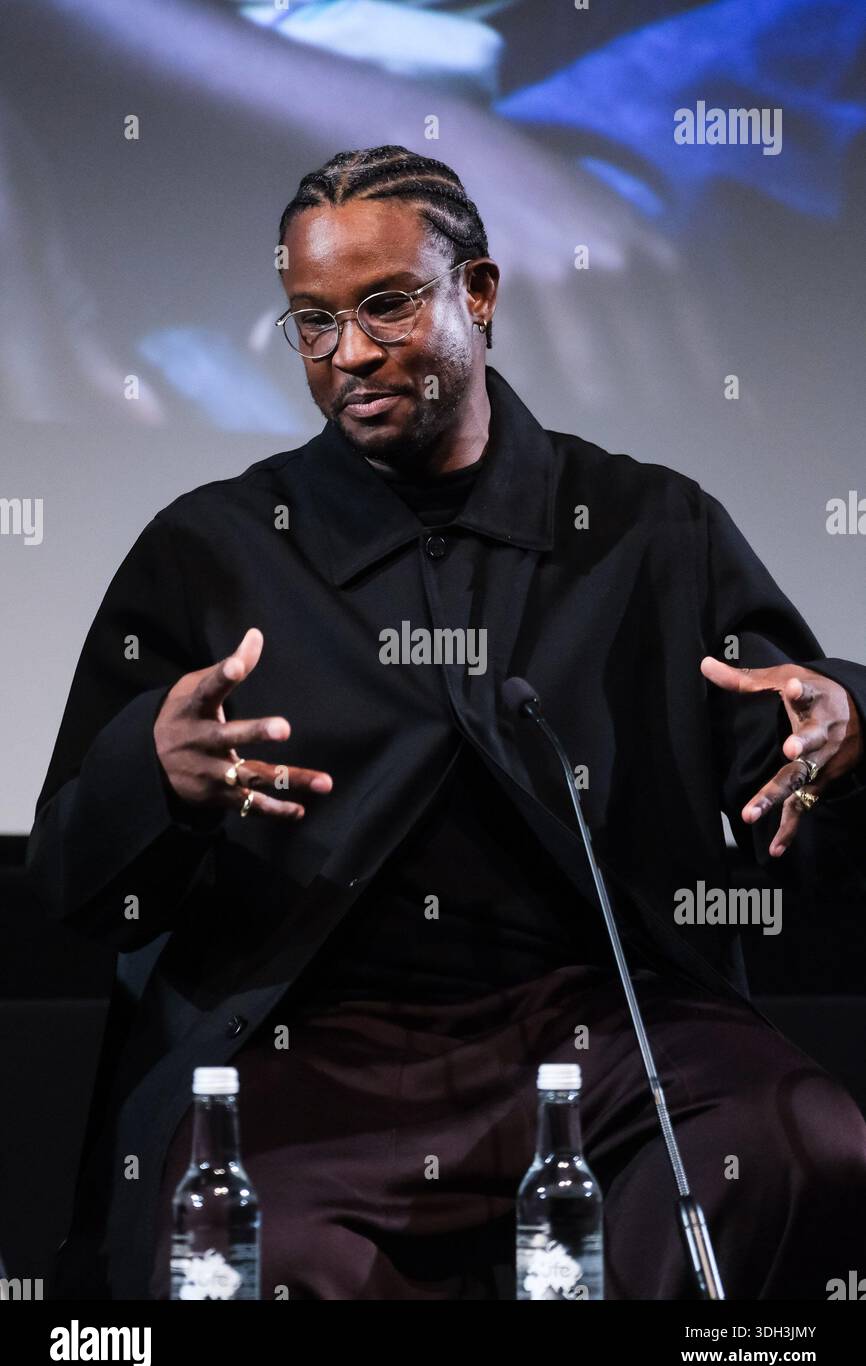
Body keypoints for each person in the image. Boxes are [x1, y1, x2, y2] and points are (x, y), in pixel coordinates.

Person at [28, 146, 866, 1301]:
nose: (350, 355)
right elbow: (71, 881)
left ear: (477, 293)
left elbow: (788, 779)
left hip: (608, 1039)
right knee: (269, 1250)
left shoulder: (649, 527)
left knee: (800, 1138)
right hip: (315, 1058)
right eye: (311, 323)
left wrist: (842, 728)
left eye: (385, 305)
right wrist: (156, 778)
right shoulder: (212, 549)